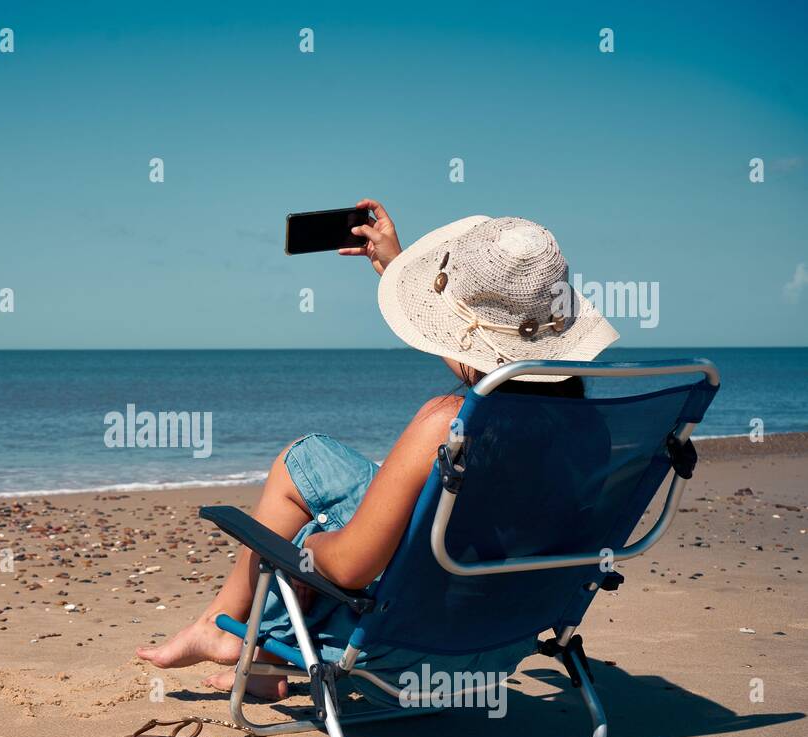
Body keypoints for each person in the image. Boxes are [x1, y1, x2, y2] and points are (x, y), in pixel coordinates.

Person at [136, 201, 620, 699]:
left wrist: (304, 548)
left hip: (409, 647)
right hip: (499, 643)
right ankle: (244, 649)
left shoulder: (445, 426)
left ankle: (234, 634)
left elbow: (349, 568)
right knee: (311, 459)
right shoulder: (593, 435)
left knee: (303, 488)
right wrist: (399, 267)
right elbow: (481, 357)